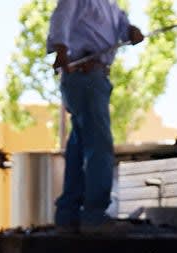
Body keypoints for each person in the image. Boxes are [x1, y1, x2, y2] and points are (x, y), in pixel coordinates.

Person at [47, 0, 145, 230]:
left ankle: (68, 214)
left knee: (79, 144)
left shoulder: (110, 6)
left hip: (95, 77)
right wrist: (62, 50)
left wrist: (132, 32)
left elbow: (123, 27)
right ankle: (94, 215)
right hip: (84, 75)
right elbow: (62, 16)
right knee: (99, 145)